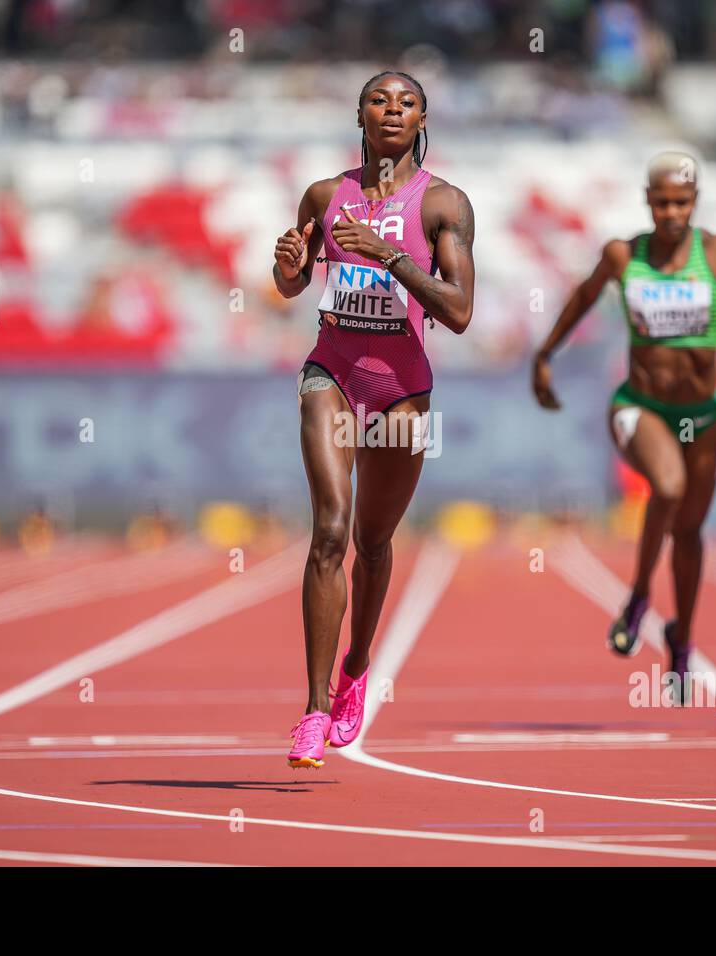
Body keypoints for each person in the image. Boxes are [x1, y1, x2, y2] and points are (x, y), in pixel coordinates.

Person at [533, 151, 716, 700]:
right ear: (647, 202)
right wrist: (545, 355)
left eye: (681, 203)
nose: (671, 213)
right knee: (669, 485)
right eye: (661, 203)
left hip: (702, 415)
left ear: (695, 202)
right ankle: (637, 597)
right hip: (639, 406)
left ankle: (680, 638)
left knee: (689, 531)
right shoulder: (623, 255)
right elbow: (581, 299)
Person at [272, 71, 475, 767]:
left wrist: (388, 254)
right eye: (379, 100)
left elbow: (458, 312)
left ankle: (358, 665)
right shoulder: (327, 196)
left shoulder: (443, 204)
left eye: (407, 102)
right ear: (358, 113)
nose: (392, 109)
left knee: (373, 541)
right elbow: (294, 283)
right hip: (330, 372)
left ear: (423, 119)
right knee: (329, 528)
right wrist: (290, 268)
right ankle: (314, 707)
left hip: (401, 391)